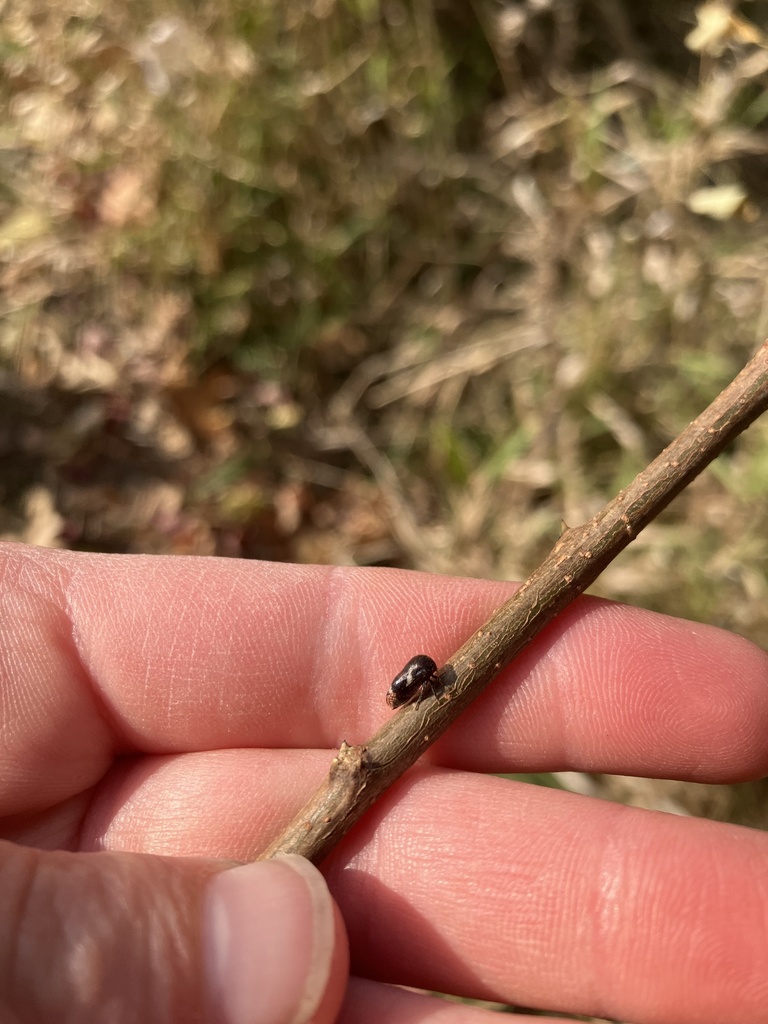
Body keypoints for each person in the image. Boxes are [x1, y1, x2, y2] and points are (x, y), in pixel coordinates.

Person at [1, 541, 767, 1024]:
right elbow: (417, 679)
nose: (403, 695)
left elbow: (422, 677)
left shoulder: (416, 686)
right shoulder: (410, 689)